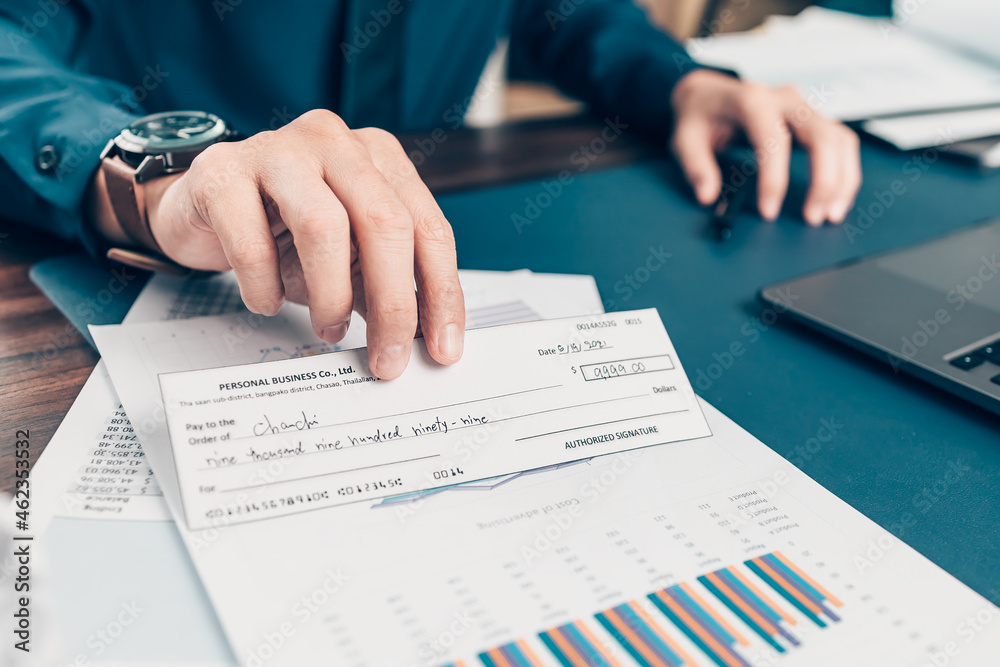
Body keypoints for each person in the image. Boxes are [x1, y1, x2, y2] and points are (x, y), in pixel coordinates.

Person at [0, 0, 861, 380]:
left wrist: (674, 82)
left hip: (457, 240)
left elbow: (562, 10)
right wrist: (150, 176)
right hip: (118, 275)